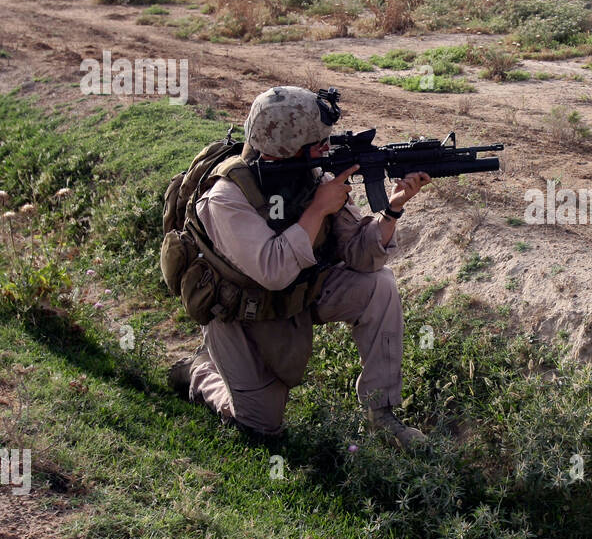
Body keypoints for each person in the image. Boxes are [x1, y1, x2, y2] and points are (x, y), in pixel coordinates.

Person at [168, 86, 431, 448]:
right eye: (318, 143)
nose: (327, 150)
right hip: (242, 314)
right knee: (261, 427)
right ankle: (199, 372)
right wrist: (317, 210)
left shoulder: (311, 177)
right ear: (287, 145)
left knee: (379, 285)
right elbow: (273, 271)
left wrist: (394, 209)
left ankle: (381, 413)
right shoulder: (226, 197)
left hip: (299, 294)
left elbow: (360, 254)